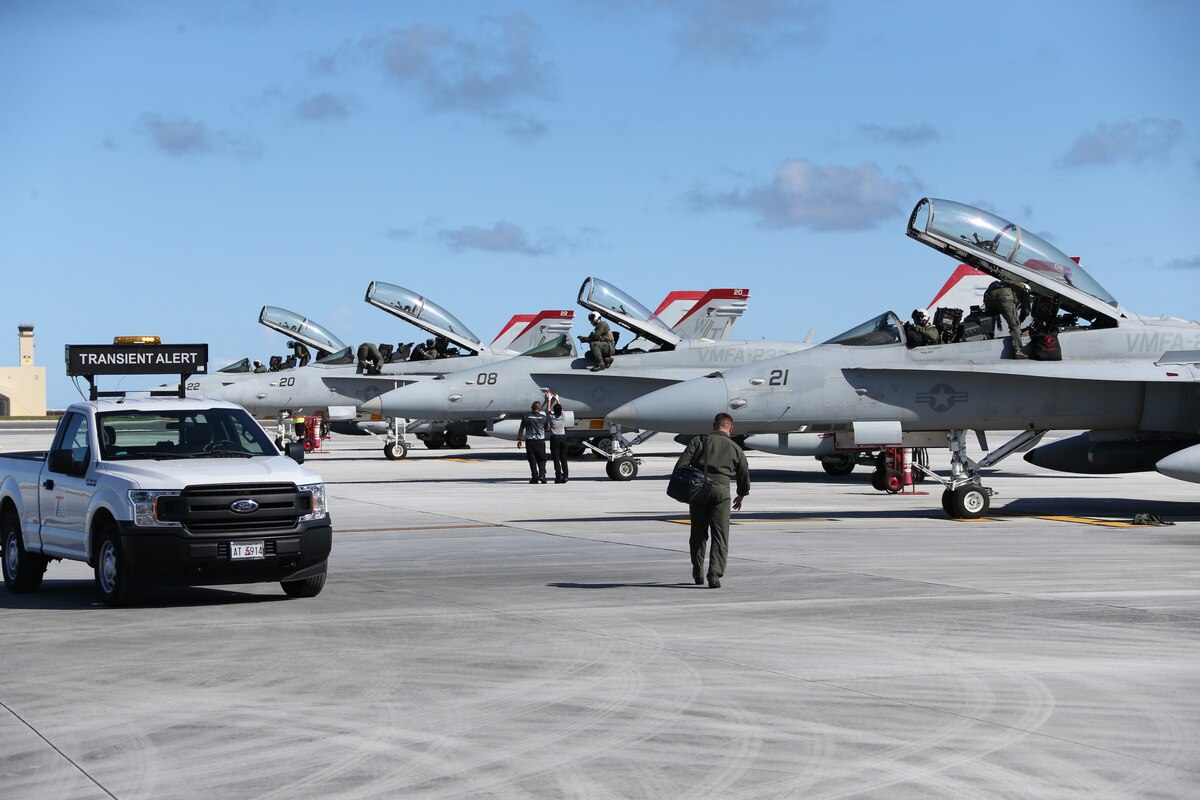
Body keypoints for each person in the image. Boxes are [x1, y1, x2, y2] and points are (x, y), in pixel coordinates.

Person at [675, 412, 750, 588]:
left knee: (698, 534)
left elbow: (681, 466)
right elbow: (743, 474)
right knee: (720, 535)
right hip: (721, 492)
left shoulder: (698, 441)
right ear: (730, 428)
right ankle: (714, 575)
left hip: (699, 491)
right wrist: (741, 495)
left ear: (714, 425)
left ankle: (698, 570)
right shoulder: (735, 448)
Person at [984, 280, 1029, 358]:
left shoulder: (1005, 283)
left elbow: (996, 301)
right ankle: (1017, 351)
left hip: (989, 295)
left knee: (987, 319)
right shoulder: (1023, 288)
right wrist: (1019, 320)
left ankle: (987, 339)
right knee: (1014, 324)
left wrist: (998, 320)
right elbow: (1026, 309)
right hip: (1005, 296)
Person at [516, 400, 548, 483]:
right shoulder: (544, 417)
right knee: (542, 459)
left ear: (531, 408)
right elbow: (546, 428)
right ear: (540, 408)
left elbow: (521, 428)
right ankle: (542, 476)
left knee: (532, 459)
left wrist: (519, 439)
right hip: (540, 441)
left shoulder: (526, 417)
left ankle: (534, 477)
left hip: (530, 441)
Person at [544, 391, 569, 483]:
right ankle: (566, 476)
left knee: (556, 459)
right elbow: (560, 409)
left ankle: (558, 476)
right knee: (564, 459)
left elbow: (548, 410)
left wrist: (549, 399)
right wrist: (558, 399)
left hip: (554, 438)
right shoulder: (563, 416)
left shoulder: (551, 417)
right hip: (563, 438)